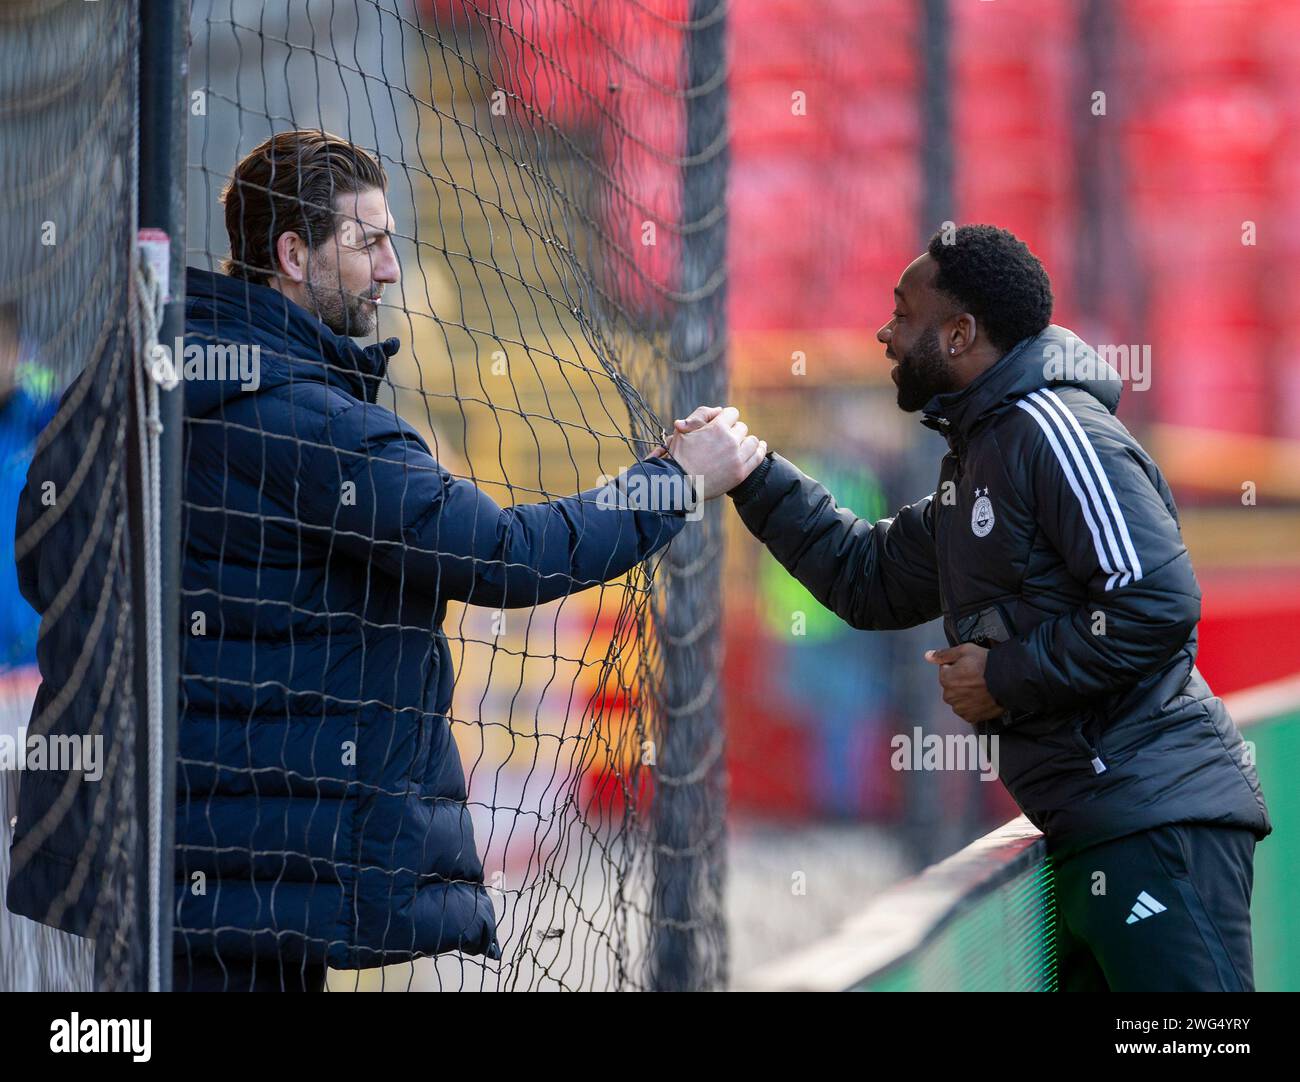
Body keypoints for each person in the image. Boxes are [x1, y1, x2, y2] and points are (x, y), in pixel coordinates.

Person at [8, 130, 765, 991]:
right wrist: (671, 482)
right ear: (293, 254)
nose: (390, 268)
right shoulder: (321, 429)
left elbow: (43, 567)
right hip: (254, 900)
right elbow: (508, 557)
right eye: (367, 242)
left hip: (112, 873)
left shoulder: (119, 389)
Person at [680, 224, 1271, 992]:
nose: (884, 333)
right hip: (1100, 824)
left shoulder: (1056, 432)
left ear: (959, 334)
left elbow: (1155, 603)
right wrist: (753, 475)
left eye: (903, 312)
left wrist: (1006, 675)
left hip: (1156, 823)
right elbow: (869, 577)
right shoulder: (982, 455)